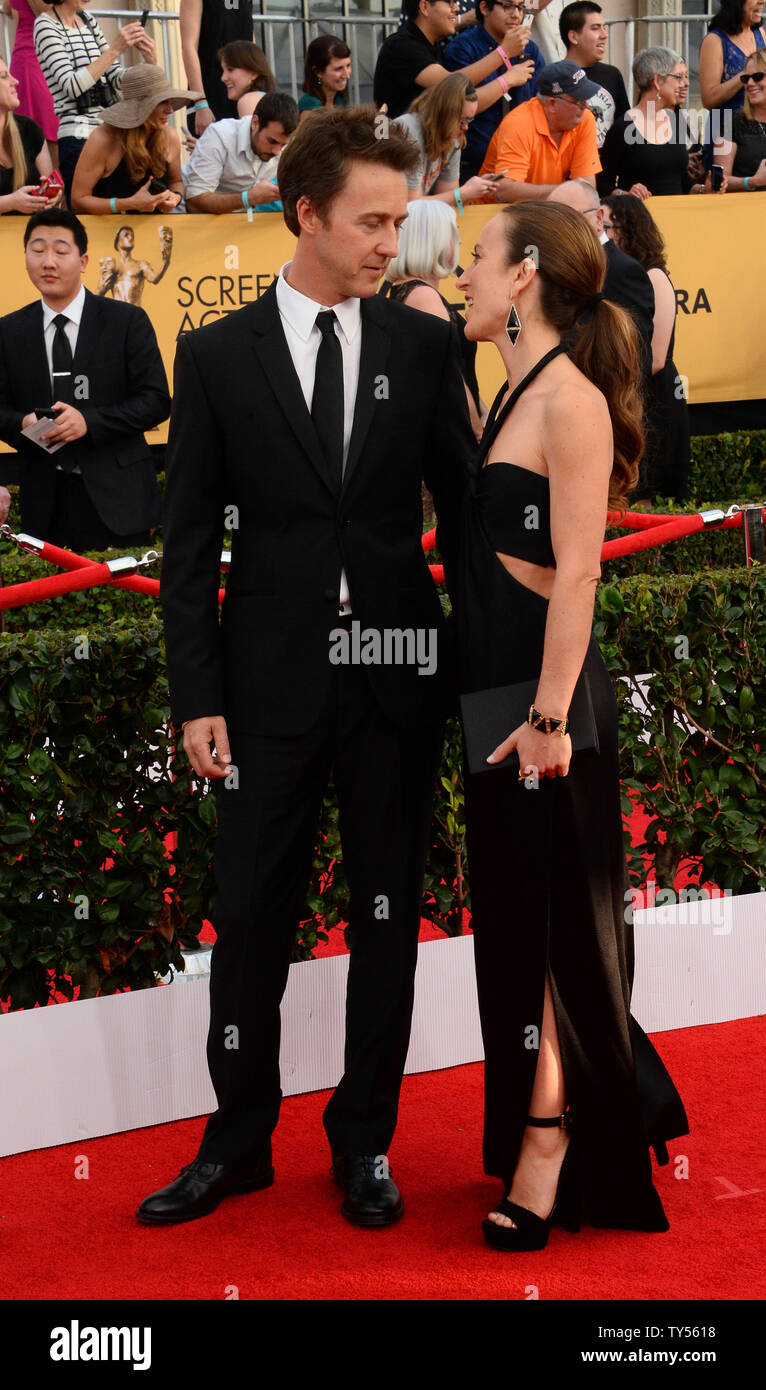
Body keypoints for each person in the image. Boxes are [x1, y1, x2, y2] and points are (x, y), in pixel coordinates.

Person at [138, 104, 474, 1231]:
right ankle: (237, 1144)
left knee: (387, 917)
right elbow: (188, 549)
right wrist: (199, 698)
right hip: (268, 684)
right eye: (372, 222)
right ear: (305, 217)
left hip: (391, 672)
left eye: (401, 219)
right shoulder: (217, 354)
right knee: (250, 922)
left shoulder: (425, 346)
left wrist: (488, 676)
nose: (394, 242)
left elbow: (466, 524)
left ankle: (363, 1139)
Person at [453, 200, 688, 1249]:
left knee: (559, 932)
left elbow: (580, 571)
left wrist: (550, 715)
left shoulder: (572, 402)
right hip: (495, 688)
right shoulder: (513, 388)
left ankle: (551, 1136)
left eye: (476, 261)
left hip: (547, 702)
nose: (463, 275)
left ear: (524, 278)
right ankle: (578, 1108)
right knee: (512, 919)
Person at [0, 209, 170, 550]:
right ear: (25, 258)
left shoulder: (127, 321)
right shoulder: (8, 331)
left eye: (61, 251)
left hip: (120, 500)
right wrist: (24, 422)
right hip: (44, 506)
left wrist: (89, 422)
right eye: (37, 250)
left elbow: (155, 401)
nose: (49, 261)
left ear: (83, 261)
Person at [547, 179, 654, 493]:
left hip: (606, 420)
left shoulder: (622, 270)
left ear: (597, 218)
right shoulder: (555, 270)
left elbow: (635, 355)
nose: (558, 228)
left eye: (568, 217)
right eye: (552, 219)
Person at [602, 193, 689, 500]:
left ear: (629, 228)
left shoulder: (653, 276)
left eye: (608, 227)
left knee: (650, 495)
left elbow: (656, 358)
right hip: (633, 394)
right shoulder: (621, 276)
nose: (604, 235)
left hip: (655, 396)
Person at [33, 0, 156, 203]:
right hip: (78, 135)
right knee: (87, 215)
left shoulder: (87, 20)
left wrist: (149, 64)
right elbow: (71, 86)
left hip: (110, 133)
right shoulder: (45, 26)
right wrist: (114, 50)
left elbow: (115, 76)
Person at [381, 196, 484, 435]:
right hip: (447, 432)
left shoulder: (415, 293)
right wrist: (478, 431)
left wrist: (483, 414)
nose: (458, 241)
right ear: (431, 240)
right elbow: (452, 375)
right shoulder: (422, 297)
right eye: (452, 233)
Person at [374, 0, 535, 122]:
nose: (457, 9)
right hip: (394, 153)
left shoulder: (433, 46)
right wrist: (505, 54)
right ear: (425, 7)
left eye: (520, 7)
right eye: (450, 2)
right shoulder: (401, 45)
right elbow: (451, 85)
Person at [70, 65, 197, 215]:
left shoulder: (169, 136)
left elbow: (176, 182)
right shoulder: (104, 139)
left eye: (169, 101)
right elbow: (78, 201)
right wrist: (126, 204)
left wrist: (175, 198)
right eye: (161, 102)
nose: (170, 110)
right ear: (140, 108)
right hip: (109, 234)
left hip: (157, 233)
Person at [444, 0, 545, 181]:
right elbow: (456, 105)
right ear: (484, 7)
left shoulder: (530, 49)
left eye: (521, 7)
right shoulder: (463, 47)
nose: (516, 14)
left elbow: (542, 102)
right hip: (473, 163)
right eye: (507, 6)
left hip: (521, 159)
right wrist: (506, 80)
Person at [610, 48, 727, 197]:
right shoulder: (623, 128)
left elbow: (682, 182)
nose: (686, 83)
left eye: (686, 76)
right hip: (639, 217)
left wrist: (706, 189)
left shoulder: (675, 121)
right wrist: (625, 194)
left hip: (676, 216)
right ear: (657, 81)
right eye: (679, 77)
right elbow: (603, 185)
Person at [480, 59, 602, 201]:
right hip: (493, 212)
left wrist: (569, 194)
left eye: (586, 99)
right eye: (578, 101)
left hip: (545, 210)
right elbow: (504, 190)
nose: (585, 106)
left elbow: (586, 185)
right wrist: (565, 192)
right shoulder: (518, 124)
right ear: (552, 104)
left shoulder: (584, 119)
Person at [182, 91, 298, 213]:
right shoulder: (220, 136)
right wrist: (248, 198)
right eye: (271, 141)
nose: (277, 151)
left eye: (283, 145)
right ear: (255, 123)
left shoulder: (289, 147)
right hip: (190, 219)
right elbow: (194, 202)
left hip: (239, 220)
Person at [559, 2, 629, 195]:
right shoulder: (554, 77)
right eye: (595, 28)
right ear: (573, 36)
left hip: (609, 183)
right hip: (567, 187)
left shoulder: (612, 75)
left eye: (604, 27)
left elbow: (625, 127)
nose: (604, 35)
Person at [394, 73, 495, 204]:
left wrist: (471, 191)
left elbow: (447, 197)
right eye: (461, 120)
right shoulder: (408, 133)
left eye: (469, 120)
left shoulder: (452, 139)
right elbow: (410, 206)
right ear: (444, 114)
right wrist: (463, 193)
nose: (465, 128)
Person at [179, 0, 254, 134]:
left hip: (243, 94)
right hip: (211, 93)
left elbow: (251, 46)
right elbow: (189, 47)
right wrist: (200, 102)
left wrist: (257, 89)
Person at [0, 55, 63, 213]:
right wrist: (10, 202)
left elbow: (52, 185)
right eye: (3, 76)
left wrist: (53, 197)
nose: (15, 81)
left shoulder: (28, 128)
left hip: (32, 232)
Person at [2, 0, 57, 162]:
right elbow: (52, 12)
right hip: (37, 60)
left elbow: (7, 8)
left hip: (27, 57)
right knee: (47, 135)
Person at [700, 0, 766, 130]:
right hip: (726, 133)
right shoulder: (715, 41)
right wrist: (746, 75)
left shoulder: (760, 34)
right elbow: (708, 99)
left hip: (757, 131)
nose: (762, 1)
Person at [713, 46, 766, 187]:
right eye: (746, 78)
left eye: (757, 77)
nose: (749, 83)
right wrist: (753, 182)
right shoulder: (731, 124)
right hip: (745, 206)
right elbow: (719, 180)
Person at [96, 223, 173, 304]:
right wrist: (101, 290)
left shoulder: (141, 265)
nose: (131, 237)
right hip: (118, 313)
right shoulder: (113, 266)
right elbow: (99, 292)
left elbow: (155, 279)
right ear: (118, 242)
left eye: (132, 235)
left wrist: (166, 261)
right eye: (126, 235)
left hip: (135, 312)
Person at [219, 40, 276, 119]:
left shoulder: (248, 100)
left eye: (230, 69)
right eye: (223, 70)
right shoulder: (265, 99)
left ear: (254, 73)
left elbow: (252, 131)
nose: (223, 78)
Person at [299, 34, 351, 118]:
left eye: (348, 66)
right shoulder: (311, 106)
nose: (347, 75)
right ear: (318, 72)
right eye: (338, 69)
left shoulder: (339, 101)